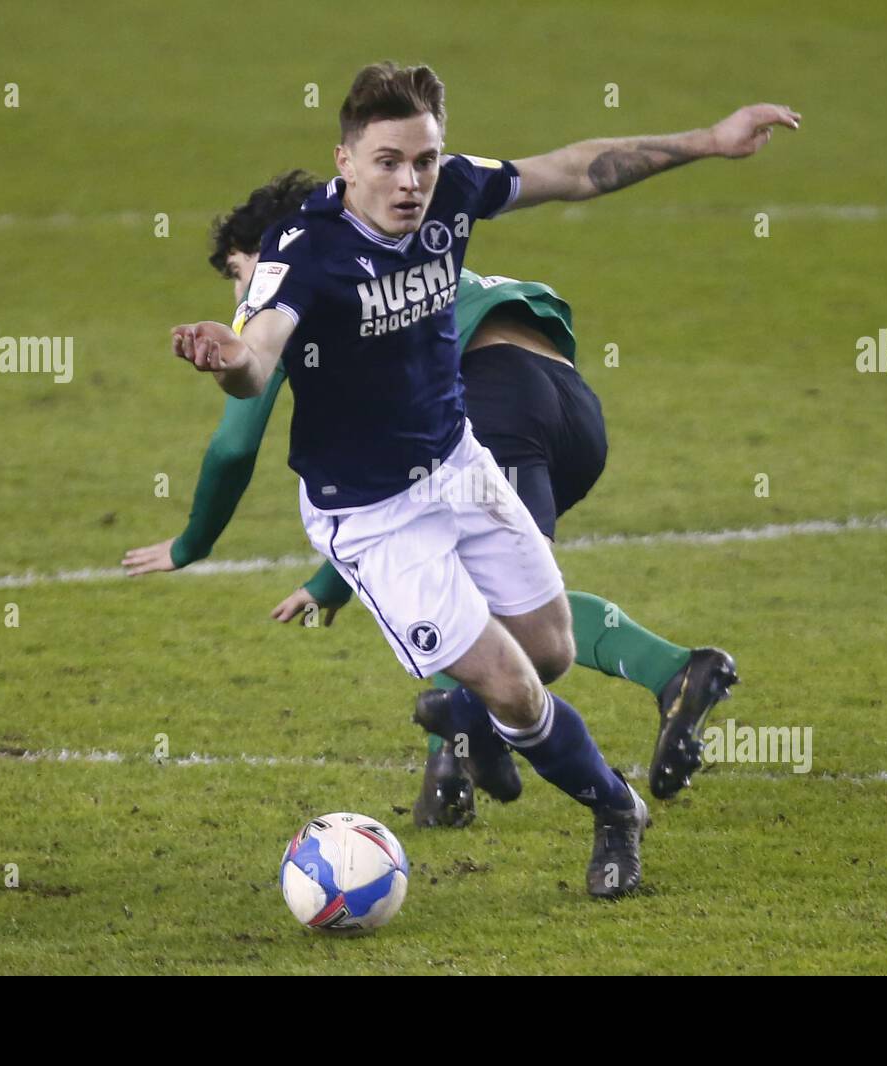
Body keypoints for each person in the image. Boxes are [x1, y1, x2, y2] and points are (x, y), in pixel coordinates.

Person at [168, 61, 799, 897]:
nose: (411, 181)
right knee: (510, 681)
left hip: (460, 466)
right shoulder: (303, 248)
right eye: (389, 161)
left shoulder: (457, 191)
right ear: (345, 160)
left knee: (550, 652)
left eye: (424, 159)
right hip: (371, 515)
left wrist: (710, 142)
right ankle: (617, 812)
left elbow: (576, 169)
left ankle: (470, 722)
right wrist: (229, 357)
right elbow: (259, 362)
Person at [125, 172, 738, 831]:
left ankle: (665, 676)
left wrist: (192, 543)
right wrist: (331, 585)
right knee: (492, 595)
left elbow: (235, 448)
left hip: (487, 408)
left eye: (238, 272)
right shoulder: (402, 250)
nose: (240, 293)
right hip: (567, 408)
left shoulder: (295, 286)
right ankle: (449, 775)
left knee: (490, 617)